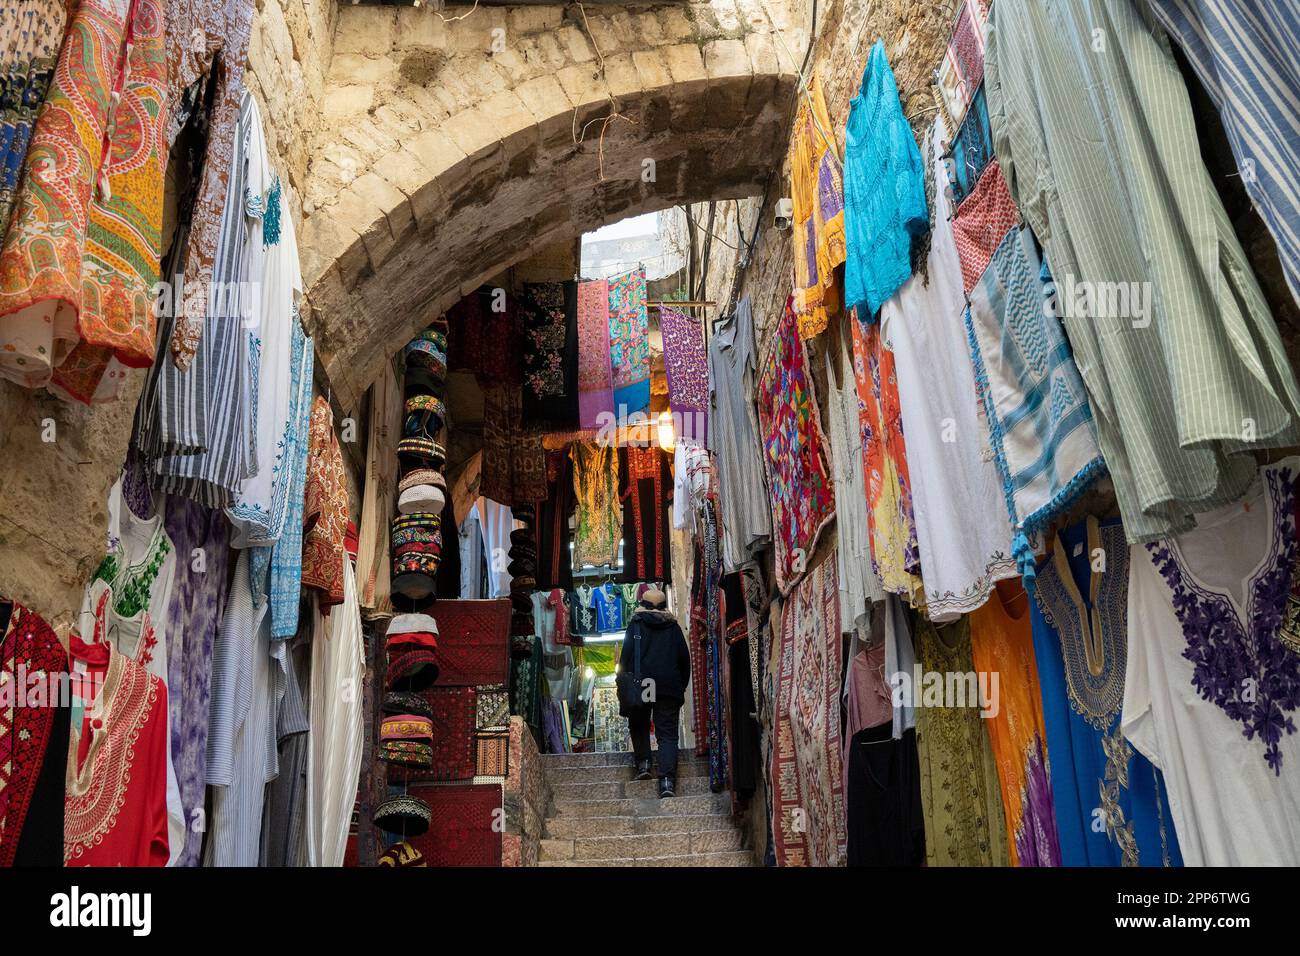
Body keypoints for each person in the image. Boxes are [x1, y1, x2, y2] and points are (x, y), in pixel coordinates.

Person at [618, 588, 691, 798]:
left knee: (639, 724)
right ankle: (666, 782)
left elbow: (625, 658)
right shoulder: (674, 628)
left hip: (643, 684)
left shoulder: (636, 625)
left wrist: (624, 682)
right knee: (667, 734)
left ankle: (644, 765)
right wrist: (681, 685)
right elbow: (684, 660)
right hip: (669, 686)